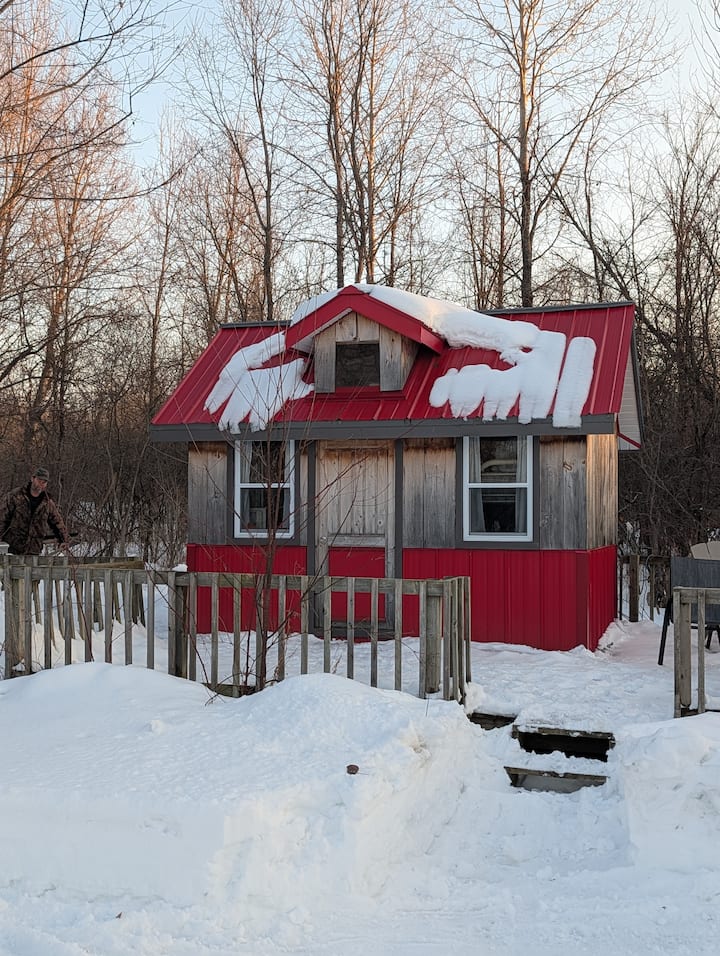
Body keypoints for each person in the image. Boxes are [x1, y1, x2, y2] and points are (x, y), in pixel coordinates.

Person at [0, 467, 69, 556]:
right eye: (39, 480)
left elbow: (57, 522)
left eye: (44, 482)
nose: (42, 484)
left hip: (34, 549)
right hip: (13, 547)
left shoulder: (47, 502)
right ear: (32, 479)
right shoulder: (16, 496)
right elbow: (2, 517)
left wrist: (63, 540)